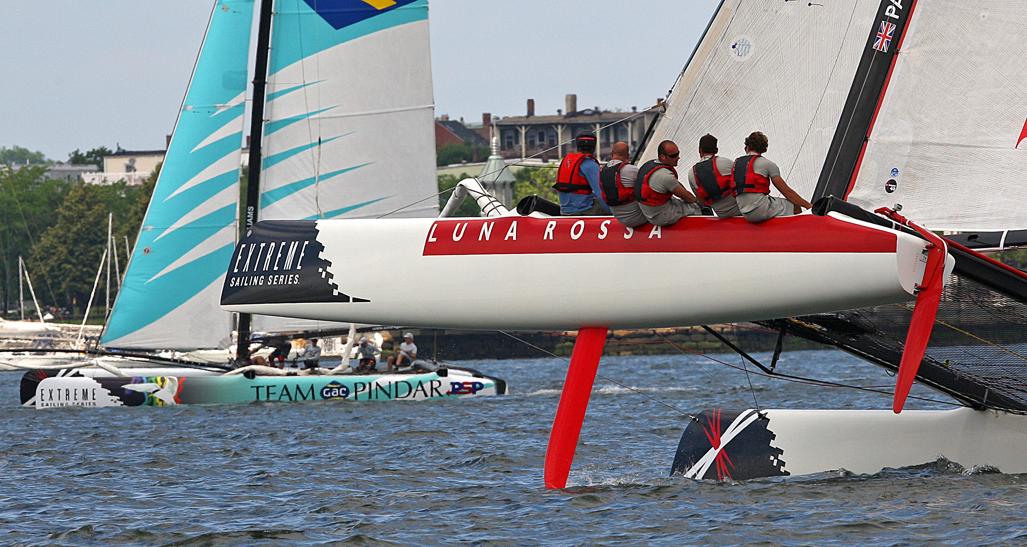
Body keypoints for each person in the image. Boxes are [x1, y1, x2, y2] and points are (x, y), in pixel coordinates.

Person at [733, 131, 813, 223]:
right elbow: (787, 191)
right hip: (759, 209)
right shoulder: (768, 164)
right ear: (763, 149)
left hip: (743, 211)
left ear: (746, 147)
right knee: (795, 206)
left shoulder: (735, 164)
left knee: (770, 201)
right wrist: (808, 206)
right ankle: (794, 234)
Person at [635, 140, 703, 226]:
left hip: (649, 210)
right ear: (663, 157)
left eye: (678, 153)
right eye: (674, 155)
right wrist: (699, 203)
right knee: (695, 208)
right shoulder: (665, 176)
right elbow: (687, 197)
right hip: (659, 216)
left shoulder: (649, 164)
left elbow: (677, 186)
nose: (678, 157)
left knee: (681, 202)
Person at [553, 134, 610, 216]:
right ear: (593, 147)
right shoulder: (590, 164)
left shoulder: (567, 162)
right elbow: (600, 193)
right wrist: (614, 213)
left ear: (577, 146)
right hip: (583, 211)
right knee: (614, 206)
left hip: (564, 211)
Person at [687, 134, 741, 218]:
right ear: (716, 150)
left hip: (722, 215)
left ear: (699, 150)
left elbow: (701, 201)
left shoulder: (691, 174)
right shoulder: (726, 162)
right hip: (741, 209)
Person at [600, 141, 647, 227]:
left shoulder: (602, 170)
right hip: (638, 217)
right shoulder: (632, 169)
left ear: (612, 154)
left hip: (619, 218)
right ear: (628, 155)